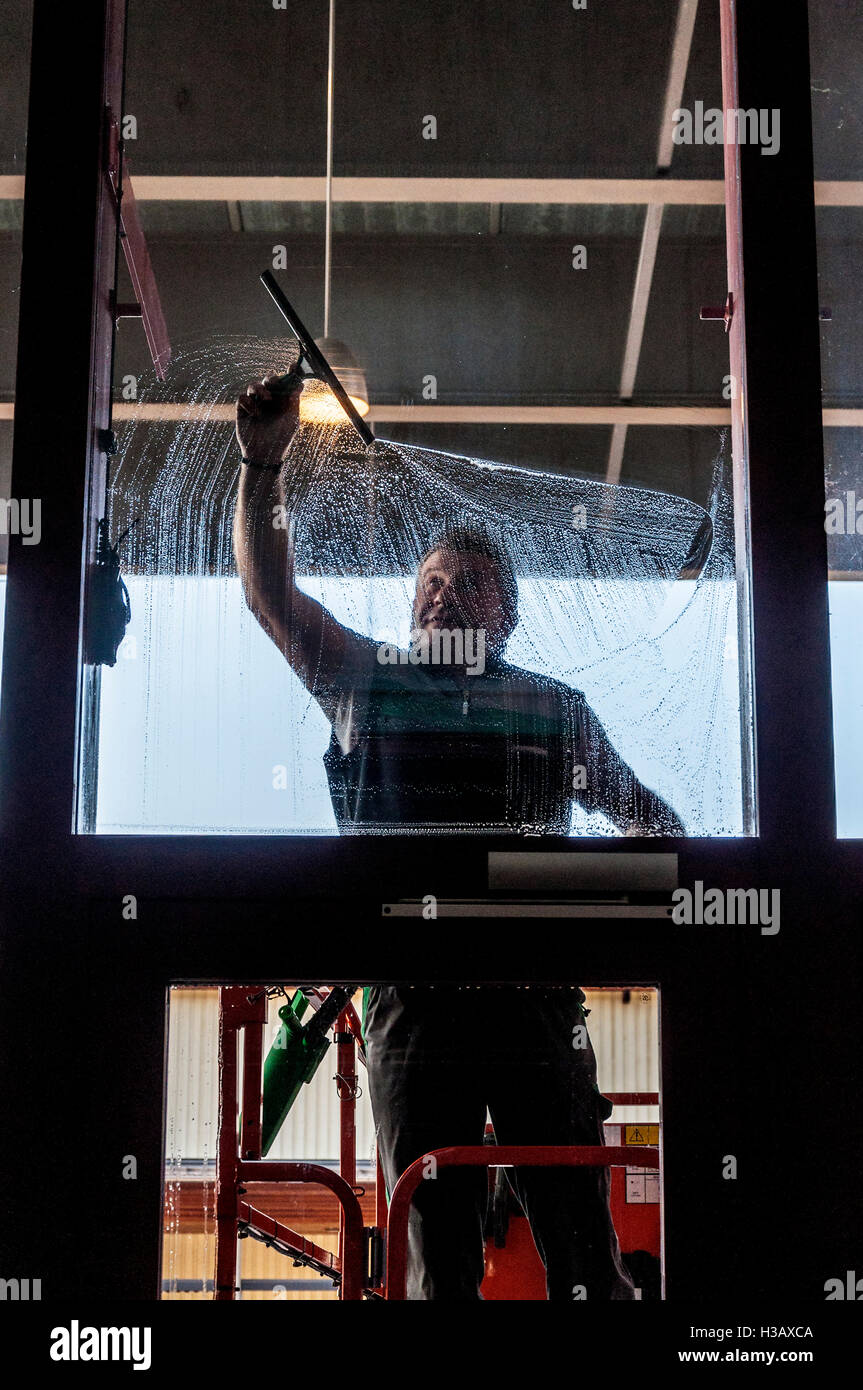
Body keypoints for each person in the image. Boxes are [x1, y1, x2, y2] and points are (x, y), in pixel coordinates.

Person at [233, 368, 680, 1299]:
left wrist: (686, 886)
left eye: (468, 583)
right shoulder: (368, 681)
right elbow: (271, 598)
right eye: (429, 582)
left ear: (504, 614)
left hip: (535, 1000)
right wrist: (260, 467)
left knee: (583, 1248)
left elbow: (642, 812)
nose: (441, 593)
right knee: (436, 1257)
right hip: (412, 1001)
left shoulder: (551, 708)